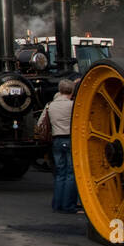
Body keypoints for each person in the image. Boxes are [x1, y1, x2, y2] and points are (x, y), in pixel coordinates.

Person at [46, 79, 78, 214]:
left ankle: (57, 203)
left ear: (59, 90)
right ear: (71, 91)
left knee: (60, 173)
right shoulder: (73, 105)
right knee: (71, 173)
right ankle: (68, 205)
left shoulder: (51, 105)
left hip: (57, 139)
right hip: (70, 138)